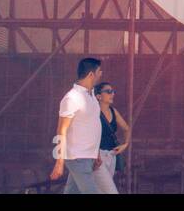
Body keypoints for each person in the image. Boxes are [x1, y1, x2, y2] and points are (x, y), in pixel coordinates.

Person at [50, 57, 113, 194]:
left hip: (88, 157)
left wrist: (96, 154)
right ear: (91, 74)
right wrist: (59, 162)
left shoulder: (91, 97)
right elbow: (61, 130)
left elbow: (92, 127)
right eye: (99, 71)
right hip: (77, 158)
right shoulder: (72, 98)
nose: (101, 74)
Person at [94, 82, 130, 194]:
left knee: (101, 190)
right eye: (108, 91)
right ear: (98, 96)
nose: (112, 94)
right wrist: (95, 154)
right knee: (110, 191)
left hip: (111, 155)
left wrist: (125, 144)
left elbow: (126, 128)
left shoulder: (113, 111)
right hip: (97, 156)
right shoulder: (94, 112)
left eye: (113, 91)